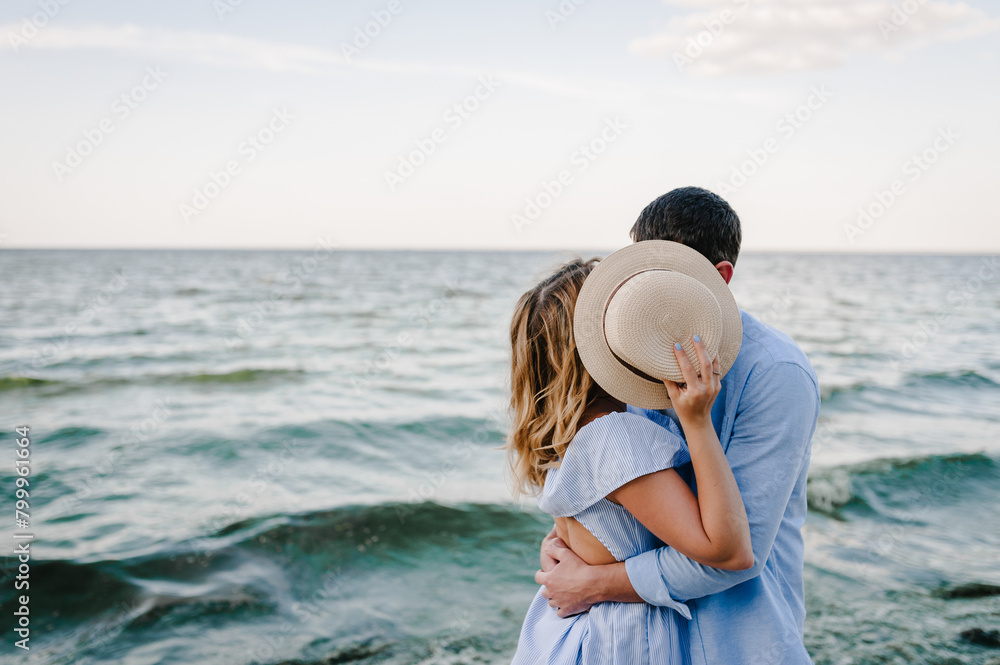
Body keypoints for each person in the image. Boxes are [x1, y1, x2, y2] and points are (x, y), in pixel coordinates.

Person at [535, 187, 821, 665]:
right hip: (646, 638)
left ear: (721, 277)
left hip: (738, 639)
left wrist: (593, 584)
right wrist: (560, 545)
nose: (647, 293)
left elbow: (734, 554)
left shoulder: (776, 375)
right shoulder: (628, 351)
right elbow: (613, 484)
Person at [507, 248, 753, 664]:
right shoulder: (614, 437)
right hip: (618, 644)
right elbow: (729, 551)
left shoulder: (572, 434)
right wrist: (696, 422)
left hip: (568, 636)